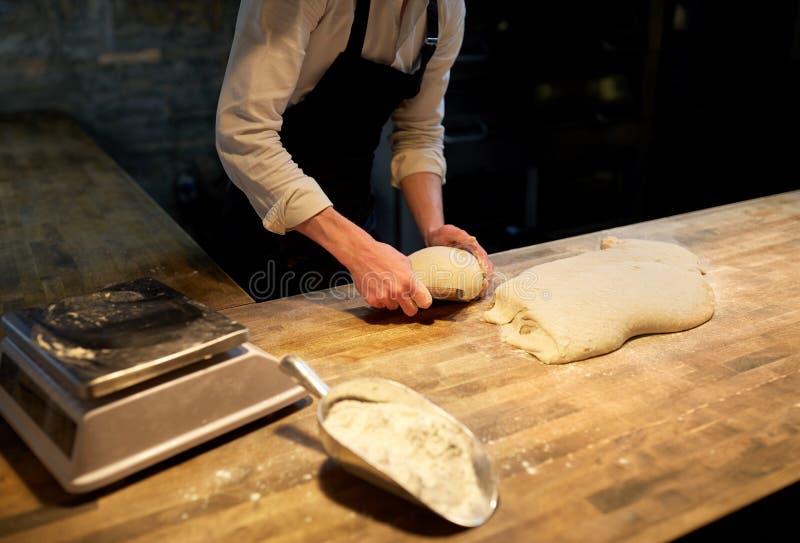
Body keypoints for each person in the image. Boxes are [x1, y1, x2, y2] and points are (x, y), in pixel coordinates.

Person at [215, 0, 492, 315]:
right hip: (264, 238)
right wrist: (359, 250)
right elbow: (244, 134)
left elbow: (419, 132)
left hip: (357, 223)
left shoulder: (446, 10)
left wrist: (433, 230)